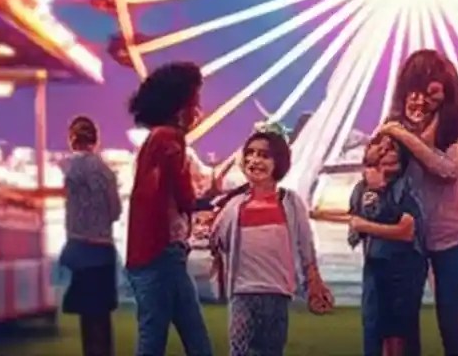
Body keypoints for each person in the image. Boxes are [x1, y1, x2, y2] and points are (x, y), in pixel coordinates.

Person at [375, 49, 458, 355]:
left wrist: (405, 137)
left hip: (455, 236)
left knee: (448, 318)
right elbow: (376, 169)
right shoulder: (397, 123)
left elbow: (449, 170)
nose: (424, 98)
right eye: (418, 88)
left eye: (433, 88)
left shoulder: (452, 124)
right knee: (404, 319)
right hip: (413, 238)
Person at [211, 128, 333, 356]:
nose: (254, 160)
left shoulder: (291, 203)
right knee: (240, 351)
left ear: (279, 163)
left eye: (264, 155)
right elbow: (216, 240)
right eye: (250, 153)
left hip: (278, 293)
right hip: (242, 293)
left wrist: (313, 281)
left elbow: (306, 247)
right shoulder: (233, 206)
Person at [124, 62, 213, 356]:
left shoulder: (155, 139)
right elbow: (184, 195)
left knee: (192, 337)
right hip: (160, 254)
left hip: (157, 255)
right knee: (160, 340)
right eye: (195, 103)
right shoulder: (169, 139)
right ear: (180, 108)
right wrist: (210, 199)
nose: (198, 111)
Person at [349, 133, 427, 356]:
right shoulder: (360, 189)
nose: (383, 150)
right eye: (379, 146)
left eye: (390, 147)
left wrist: (366, 224)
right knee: (373, 327)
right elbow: (354, 227)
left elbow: (406, 231)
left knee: (399, 332)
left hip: (404, 267)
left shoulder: (406, 186)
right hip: (375, 264)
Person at [59, 116, 121, 356]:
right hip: (104, 250)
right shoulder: (107, 171)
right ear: (96, 139)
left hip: (81, 249)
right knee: (102, 317)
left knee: (87, 317)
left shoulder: (71, 166)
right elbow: (115, 212)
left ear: (72, 139)